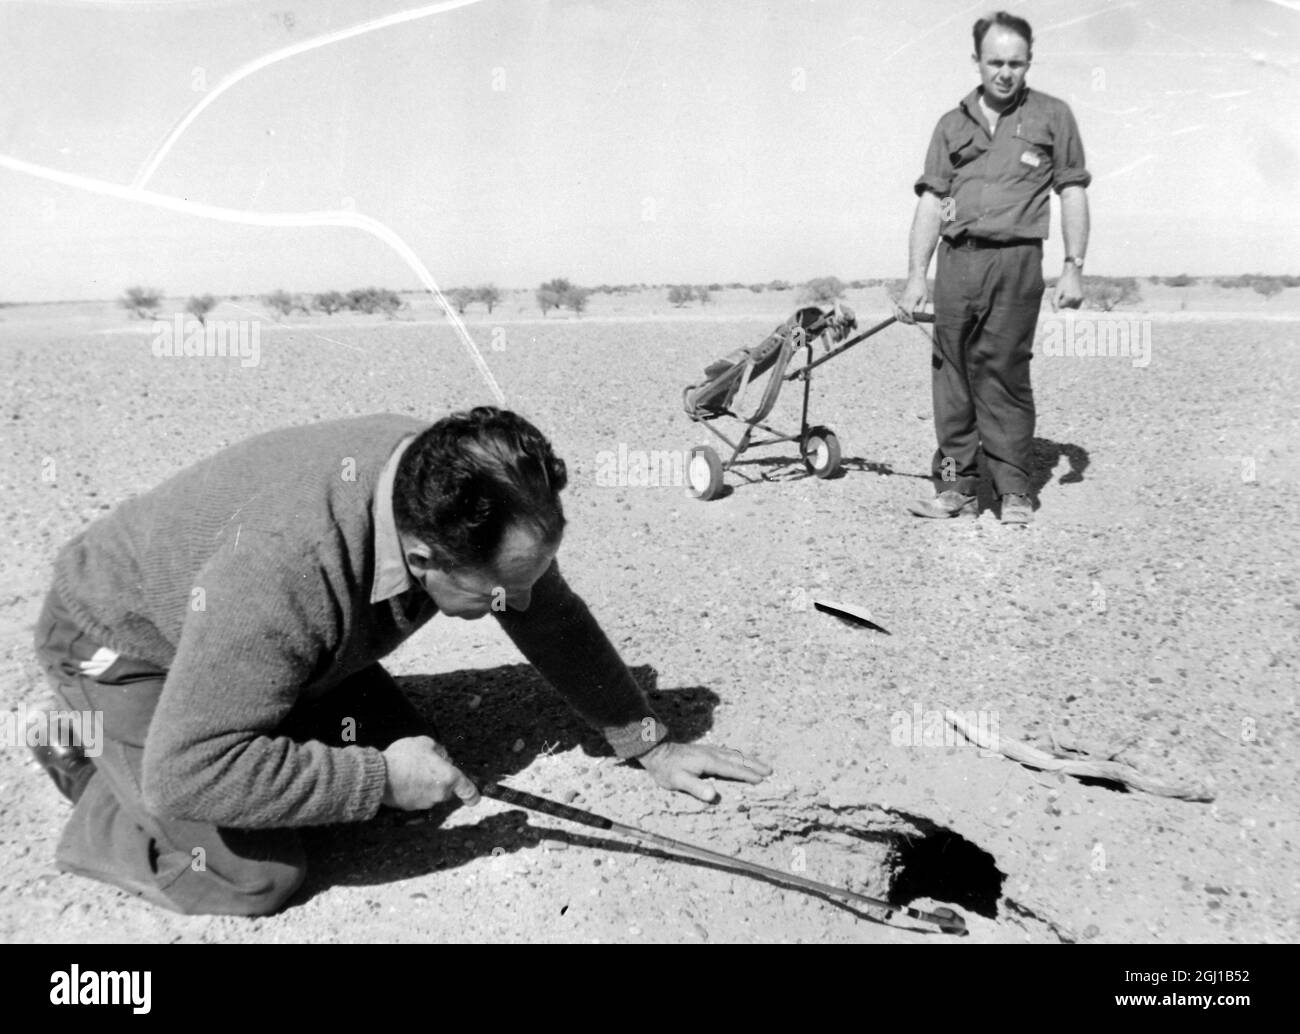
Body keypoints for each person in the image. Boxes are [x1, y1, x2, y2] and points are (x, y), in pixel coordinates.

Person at [31, 407, 771, 915]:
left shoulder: (455, 485)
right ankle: (88, 766)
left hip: (266, 642)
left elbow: (549, 617)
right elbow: (189, 770)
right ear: (422, 558)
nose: (522, 598)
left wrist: (648, 740)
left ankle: (254, 702)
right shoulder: (286, 570)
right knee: (256, 874)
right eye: (499, 590)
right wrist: (378, 779)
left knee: (413, 761)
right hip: (125, 645)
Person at [896, 10, 1091, 524]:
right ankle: (956, 489)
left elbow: (1072, 190)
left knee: (1004, 372)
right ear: (976, 61)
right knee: (951, 374)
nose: (1005, 72)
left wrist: (1073, 265)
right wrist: (917, 275)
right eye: (995, 62)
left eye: (1016, 63)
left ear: (1029, 63)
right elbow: (931, 202)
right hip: (957, 262)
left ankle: (1013, 491)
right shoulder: (950, 124)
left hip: (1017, 262)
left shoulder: (1053, 115)